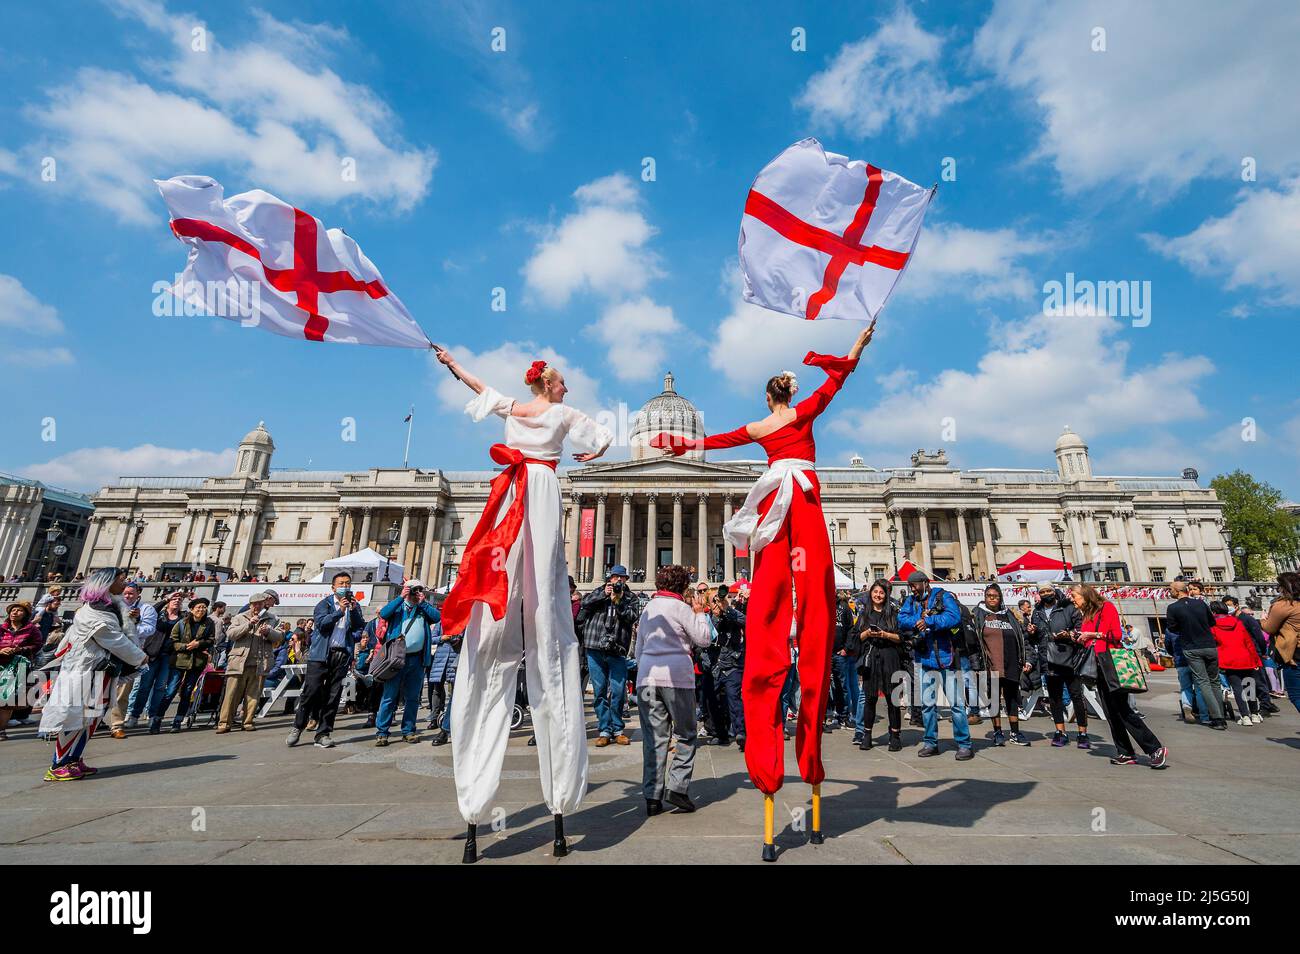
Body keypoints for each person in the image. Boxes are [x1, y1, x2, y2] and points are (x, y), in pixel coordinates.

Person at [651, 323, 876, 860]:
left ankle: (771, 762)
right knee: (814, 589)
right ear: (791, 392)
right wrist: (855, 346)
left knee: (771, 592)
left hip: (777, 505)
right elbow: (839, 383)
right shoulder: (805, 412)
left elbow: (719, 441)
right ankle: (810, 761)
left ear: (765, 396)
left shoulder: (759, 425)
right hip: (802, 503)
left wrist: (679, 442)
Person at [434, 349, 613, 863]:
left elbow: (477, 386)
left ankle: (475, 807)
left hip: (514, 495)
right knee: (547, 614)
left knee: (508, 603)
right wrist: (590, 457)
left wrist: (451, 364)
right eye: (563, 384)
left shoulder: (515, 408)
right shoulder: (561, 416)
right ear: (551, 386)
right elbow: (600, 439)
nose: (567, 390)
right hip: (538, 492)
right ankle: (554, 805)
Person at [39, 568, 148, 780]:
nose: (124, 583)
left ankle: (74, 759)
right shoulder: (94, 610)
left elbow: (121, 633)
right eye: (121, 579)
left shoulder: (113, 606)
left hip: (103, 670)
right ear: (107, 582)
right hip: (85, 669)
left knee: (93, 716)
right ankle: (57, 764)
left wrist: (131, 622)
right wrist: (139, 656)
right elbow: (112, 638)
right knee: (75, 716)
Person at [633, 565, 714, 816]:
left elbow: (638, 648)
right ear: (681, 585)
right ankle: (677, 787)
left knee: (654, 738)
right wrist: (700, 613)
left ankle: (652, 796)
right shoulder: (682, 608)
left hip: (647, 677)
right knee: (686, 733)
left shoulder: (648, 608)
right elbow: (703, 639)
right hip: (677, 678)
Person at [1068, 583, 1167, 768]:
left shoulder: (1107, 607)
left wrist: (1092, 634)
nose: (1072, 600)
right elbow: (1089, 638)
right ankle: (1125, 752)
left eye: (1074, 596)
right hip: (1097, 664)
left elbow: (1115, 635)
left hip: (1111, 662)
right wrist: (1079, 636)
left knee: (1122, 710)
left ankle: (1154, 748)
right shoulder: (1087, 614)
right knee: (1110, 712)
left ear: (1086, 595)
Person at [289, 572, 365, 748]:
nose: (345, 586)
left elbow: (359, 628)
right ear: (333, 587)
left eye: (348, 583)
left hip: (341, 655)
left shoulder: (355, 606)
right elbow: (322, 624)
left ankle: (323, 732)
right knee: (311, 692)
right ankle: (297, 727)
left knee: (333, 696)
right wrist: (340, 611)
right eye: (341, 583)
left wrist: (352, 612)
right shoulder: (324, 604)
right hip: (320, 655)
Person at [899, 571, 970, 759]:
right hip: (924, 658)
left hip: (946, 657)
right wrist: (918, 621)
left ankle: (964, 743)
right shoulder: (911, 601)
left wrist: (930, 621)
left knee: (956, 704)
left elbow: (954, 617)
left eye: (914, 585)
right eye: (910, 585)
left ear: (924, 582)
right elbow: (901, 619)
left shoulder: (943, 596)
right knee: (927, 705)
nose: (912, 589)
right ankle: (930, 742)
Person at [576, 564, 638, 746]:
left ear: (626, 579)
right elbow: (584, 604)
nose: (618, 580)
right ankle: (604, 729)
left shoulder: (630, 598)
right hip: (595, 646)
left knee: (618, 692)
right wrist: (604, 594)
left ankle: (618, 728)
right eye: (615, 577)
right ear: (609, 578)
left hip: (617, 649)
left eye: (622, 577)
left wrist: (618, 601)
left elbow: (631, 617)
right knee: (599, 691)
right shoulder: (598, 592)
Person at [375, 580, 440, 745]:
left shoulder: (422, 609)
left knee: (412, 698)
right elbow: (384, 613)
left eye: (418, 589)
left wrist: (423, 602)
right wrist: (400, 596)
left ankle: (409, 730)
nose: (414, 593)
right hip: (396, 658)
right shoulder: (398, 608)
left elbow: (437, 617)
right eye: (412, 589)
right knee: (390, 696)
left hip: (416, 659)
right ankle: (382, 732)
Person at [1032, 583, 1090, 747]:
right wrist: (1032, 632)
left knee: (1076, 696)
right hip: (1048, 659)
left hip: (1068, 657)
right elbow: (1037, 638)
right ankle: (1060, 732)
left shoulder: (1068, 608)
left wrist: (1069, 634)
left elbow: (1080, 630)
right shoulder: (1037, 612)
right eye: (1042, 591)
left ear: (1054, 591)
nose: (1046, 594)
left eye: (1048, 590)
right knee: (1054, 698)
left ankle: (1082, 733)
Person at [217, 592, 282, 733]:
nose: (257, 607)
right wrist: (248, 624)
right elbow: (231, 635)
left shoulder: (272, 619)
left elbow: (279, 637)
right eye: (255, 604)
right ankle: (224, 723)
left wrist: (268, 632)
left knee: (253, 695)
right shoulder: (240, 617)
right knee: (232, 695)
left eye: (261, 604)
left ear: (265, 604)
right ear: (250, 604)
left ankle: (248, 721)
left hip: (260, 661)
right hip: (239, 662)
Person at [974, 583, 1030, 746]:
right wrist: (976, 664)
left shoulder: (1009, 615)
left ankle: (1015, 731)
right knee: (994, 700)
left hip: (1011, 662)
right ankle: (997, 732)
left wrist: (1025, 659)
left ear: (1000, 597)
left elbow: (1021, 636)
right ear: (985, 597)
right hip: (991, 663)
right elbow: (975, 641)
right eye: (989, 595)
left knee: (1012, 698)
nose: (992, 598)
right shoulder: (978, 614)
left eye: (995, 596)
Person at [1165, 580, 1226, 729]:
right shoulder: (1200, 604)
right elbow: (1212, 622)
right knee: (1215, 681)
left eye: (1171, 589)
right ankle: (1221, 715)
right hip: (1209, 645)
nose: (1169, 591)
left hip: (1191, 647)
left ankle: (1217, 717)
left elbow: (1172, 628)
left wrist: (1185, 627)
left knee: (1203, 682)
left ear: (1178, 591)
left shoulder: (1173, 607)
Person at [151, 597, 216, 733]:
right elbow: (172, 642)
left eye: (204, 607)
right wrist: (186, 646)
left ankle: (177, 721)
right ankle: (157, 720)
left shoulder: (209, 623)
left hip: (197, 662)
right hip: (179, 661)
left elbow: (211, 640)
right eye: (198, 607)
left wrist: (199, 644)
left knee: (187, 692)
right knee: (170, 691)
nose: (201, 610)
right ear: (191, 609)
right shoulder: (182, 623)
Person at [856, 579, 906, 752]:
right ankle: (867, 735)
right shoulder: (864, 614)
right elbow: (855, 638)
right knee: (870, 698)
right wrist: (867, 633)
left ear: (886, 595)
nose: (878, 595)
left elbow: (901, 638)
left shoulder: (892, 613)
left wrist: (885, 634)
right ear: (871, 593)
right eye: (875, 592)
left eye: (881, 592)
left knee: (892, 699)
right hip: (871, 657)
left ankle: (895, 735)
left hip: (890, 657)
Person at [128, 590, 182, 732]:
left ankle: (152, 715)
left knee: (160, 688)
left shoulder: (182, 618)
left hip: (168, 656)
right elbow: (153, 609)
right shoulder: (159, 614)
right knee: (144, 686)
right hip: (151, 653)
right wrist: (165, 599)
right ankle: (134, 715)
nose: (177, 601)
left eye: (179, 600)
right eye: (174, 599)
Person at [1223, 596, 1281, 716]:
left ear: (1236, 605)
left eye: (1229, 605)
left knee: (1259, 681)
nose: (1227, 608)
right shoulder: (1230, 620)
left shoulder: (1247, 619)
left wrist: (1262, 652)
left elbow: (1259, 636)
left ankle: (1265, 705)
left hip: (1254, 653)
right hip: (1241, 655)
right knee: (1248, 682)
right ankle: (1262, 706)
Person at [1209, 600, 1264, 725]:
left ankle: (1245, 716)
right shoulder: (1238, 623)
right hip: (1246, 658)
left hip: (1228, 660)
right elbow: (1249, 642)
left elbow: (1214, 644)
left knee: (1237, 688)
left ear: (1213, 612)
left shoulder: (1213, 627)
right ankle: (1254, 713)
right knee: (1249, 686)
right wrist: (1256, 661)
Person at [0, 602, 43, 739]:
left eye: (19, 610)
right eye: (13, 610)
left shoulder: (31, 629)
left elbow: (37, 645)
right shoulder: (1, 628)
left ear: (25, 614)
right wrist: (1, 650)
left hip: (18, 668)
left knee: (6, 701)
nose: (15, 612)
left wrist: (20, 649)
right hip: (1, 665)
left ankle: (1, 730)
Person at [711, 587, 746, 750]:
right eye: (715, 601)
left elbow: (745, 620)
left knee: (734, 699)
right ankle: (721, 734)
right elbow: (710, 633)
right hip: (716, 665)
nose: (718, 603)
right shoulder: (710, 617)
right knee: (713, 701)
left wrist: (728, 609)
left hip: (733, 663)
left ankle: (741, 732)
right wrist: (717, 614)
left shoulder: (733, 612)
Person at [1261, 572, 1300, 714]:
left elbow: (1269, 628)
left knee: (1296, 695)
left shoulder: (1283, 605)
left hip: (1294, 653)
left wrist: (1263, 619)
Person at [830, 592, 861, 736]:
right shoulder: (822, 605)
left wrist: (846, 648)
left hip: (839, 653)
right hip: (825, 653)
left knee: (842, 686)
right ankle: (832, 716)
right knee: (829, 687)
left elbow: (851, 629)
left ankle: (845, 716)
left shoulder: (844, 607)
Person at [427, 621, 459, 745]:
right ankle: (434, 718)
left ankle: (448, 724)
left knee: (454, 692)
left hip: (454, 659)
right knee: (437, 690)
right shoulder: (441, 623)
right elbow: (432, 638)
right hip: (441, 659)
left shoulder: (462, 622)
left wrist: (455, 638)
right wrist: (442, 638)